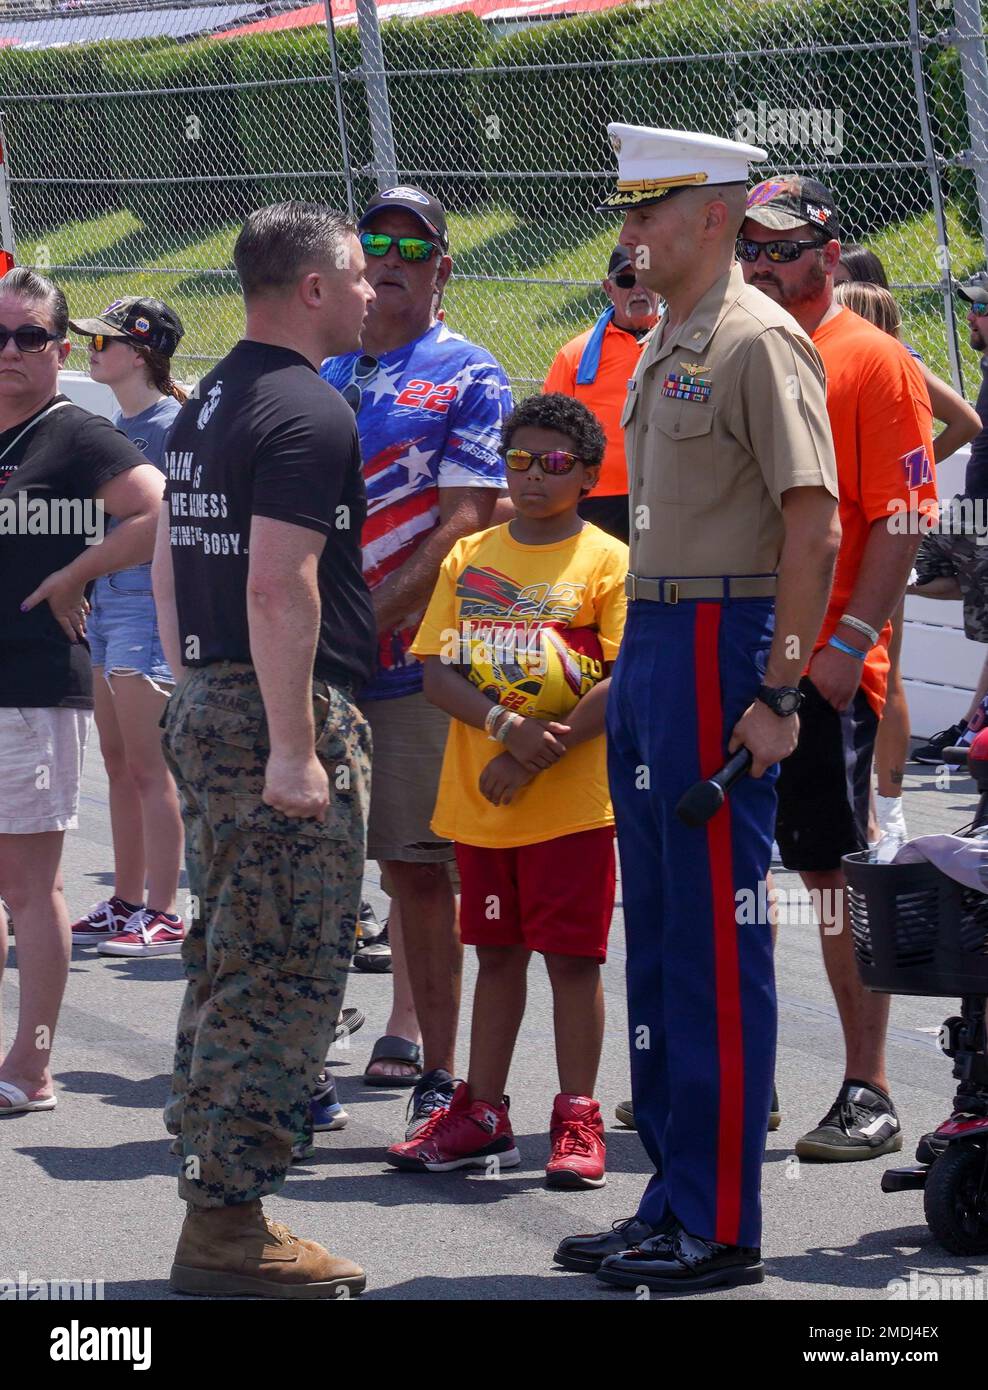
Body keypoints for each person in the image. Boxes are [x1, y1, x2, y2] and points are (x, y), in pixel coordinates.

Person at [556, 128, 841, 1294]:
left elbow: (813, 525)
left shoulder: (756, 340)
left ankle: (720, 1221)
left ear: (713, 215)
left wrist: (779, 689)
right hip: (661, 636)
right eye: (627, 209)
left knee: (719, 939)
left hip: (726, 641)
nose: (632, 232)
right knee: (665, 933)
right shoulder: (668, 334)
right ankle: (673, 1192)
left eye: (653, 209)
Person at [153, 202, 376, 1299]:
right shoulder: (307, 409)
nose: (376, 291)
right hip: (271, 711)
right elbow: (275, 580)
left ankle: (219, 1200)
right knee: (284, 970)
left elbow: (169, 545)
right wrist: (295, 748)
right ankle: (230, 1227)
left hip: (214, 695)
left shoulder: (214, 397)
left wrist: (190, 676)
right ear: (316, 287)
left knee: (231, 956)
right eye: (361, 273)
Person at [740, 175, 937, 1160]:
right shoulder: (738, 343)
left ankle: (868, 1089)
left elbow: (902, 514)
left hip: (821, 670)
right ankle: (749, 1077)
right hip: (734, 651)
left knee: (828, 876)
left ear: (828, 247)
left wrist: (847, 646)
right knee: (739, 876)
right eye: (749, 247)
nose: (762, 263)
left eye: (781, 245)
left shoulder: (868, 356)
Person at [385, 393, 627, 1185]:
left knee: (571, 963)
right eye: (518, 459)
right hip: (481, 806)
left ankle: (578, 1117)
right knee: (495, 955)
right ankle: (483, 1110)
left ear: (588, 475)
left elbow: (624, 680)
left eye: (555, 462)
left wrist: (531, 754)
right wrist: (503, 726)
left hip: (571, 809)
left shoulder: (608, 561)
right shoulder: (471, 555)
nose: (533, 476)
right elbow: (436, 671)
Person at [321, 186, 511, 1135]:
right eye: (375, 241)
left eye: (412, 244)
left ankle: (443, 1071)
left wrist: (362, 628)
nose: (390, 255)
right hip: (311, 660)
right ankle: (301, 1057)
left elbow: (466, 525)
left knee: (415, 872)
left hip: (405, 666)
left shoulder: (470, 372)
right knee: (311, 871)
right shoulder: (321, 369)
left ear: (443, 267)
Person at [0, 268, 164, 1116]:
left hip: (27, 683)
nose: (11, 353)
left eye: (30, 338)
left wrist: (76, 570)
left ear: (61, 350)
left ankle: (31, 1067)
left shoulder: (73, 435)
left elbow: (155, 512)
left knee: (30, 886)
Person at [831, 278, 981, 848]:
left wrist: (903, 468)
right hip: (861, 528)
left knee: (880, 673)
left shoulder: (889, 363)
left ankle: (884, 814)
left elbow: (965, 421)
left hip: (882, 530)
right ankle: (871, 809)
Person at [66, 297, 189, 957]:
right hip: (108, 601)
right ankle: (127, 900)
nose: (92, 350)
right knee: (116, 763)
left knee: (148, 766)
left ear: (140, 352)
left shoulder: (174, 424)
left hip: (147, 603)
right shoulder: (122, 422)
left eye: (104, 342)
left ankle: (164, 912)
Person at [909, 270, 988, 763]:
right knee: (915, 562)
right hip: (969, 515)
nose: (971, 317)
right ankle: (973, 722)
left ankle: (971, 724)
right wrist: (912, 472)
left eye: (980, 309)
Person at [543, 246, 659, 542]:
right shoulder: (575, 356)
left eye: (648, 278)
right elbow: (548, 434)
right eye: (626, 280)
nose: (638, 289)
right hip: (596, 500)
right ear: (609, 288)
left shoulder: (682, 342)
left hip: (666, 496)